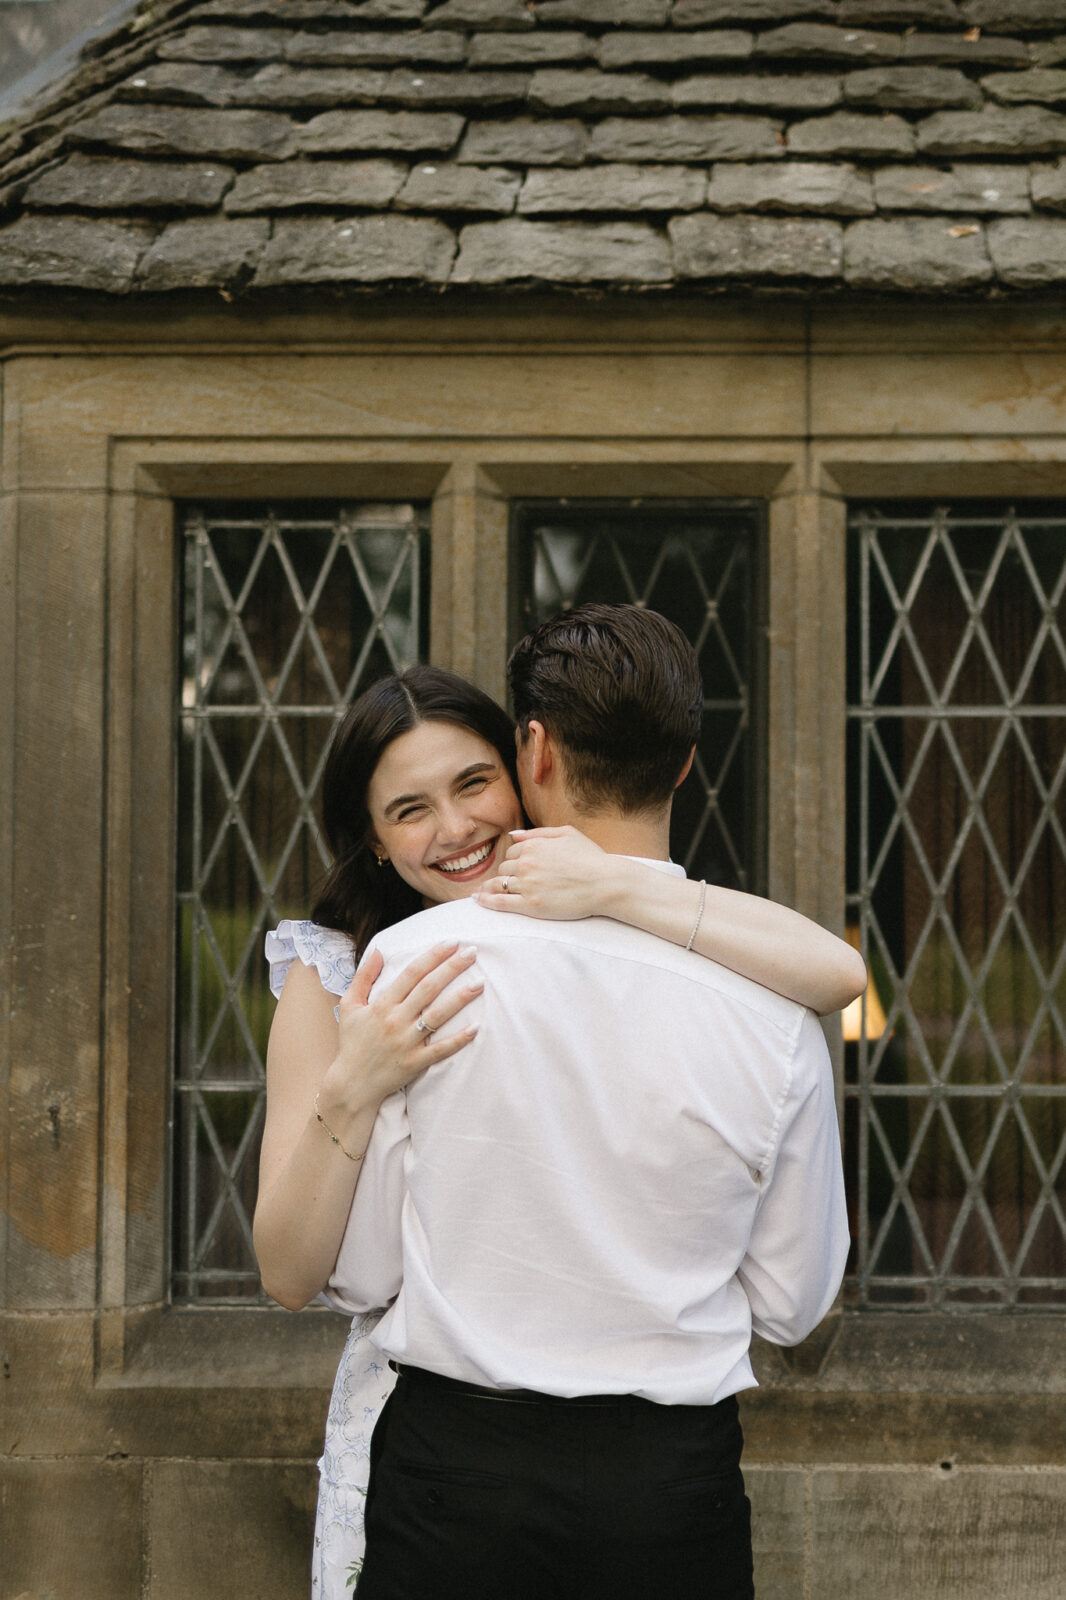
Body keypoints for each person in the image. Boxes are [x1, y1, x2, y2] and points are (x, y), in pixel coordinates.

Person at [256, 654, 863, 1598]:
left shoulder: (698, 947)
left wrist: (614, 886)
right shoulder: (363, 973)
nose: (456, 829)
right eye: (410, 809)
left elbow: (367, 1269)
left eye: (473, 783)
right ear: (372, 838)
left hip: (464, 1452)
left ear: (529, 763)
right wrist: (354, 1089)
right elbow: (791, 1300)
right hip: (541, 1448)